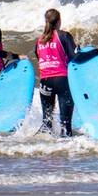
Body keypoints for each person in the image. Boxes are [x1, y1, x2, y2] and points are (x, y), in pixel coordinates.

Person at [34, 8, 77, 136]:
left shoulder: (39, 40)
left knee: (47, 122)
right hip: (62, 80)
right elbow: (74, 56)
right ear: (59, 21)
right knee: (65, 123)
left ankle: (48, 151)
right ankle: (66, 151)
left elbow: (39, 57)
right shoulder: (64, 36)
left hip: (45, 82)